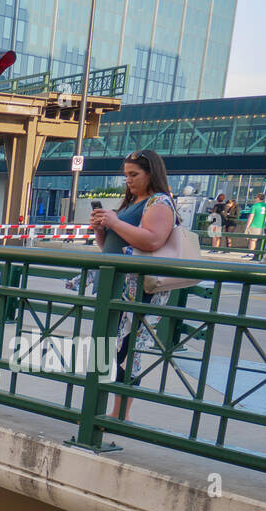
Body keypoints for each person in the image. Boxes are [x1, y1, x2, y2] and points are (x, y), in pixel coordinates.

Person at [91, 148, 177, 423]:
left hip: (138, 289)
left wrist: (115, 221)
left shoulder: (159, 202)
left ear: (151, 173)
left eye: (134, 174)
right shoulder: (133, 202)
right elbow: (111, 246)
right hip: (115, 285)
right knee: (106, 346)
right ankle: (101, 406)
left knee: (127, 348)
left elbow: (152, 240)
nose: (128, 180)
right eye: (126, 174)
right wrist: (101, 229)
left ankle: (119, 414)